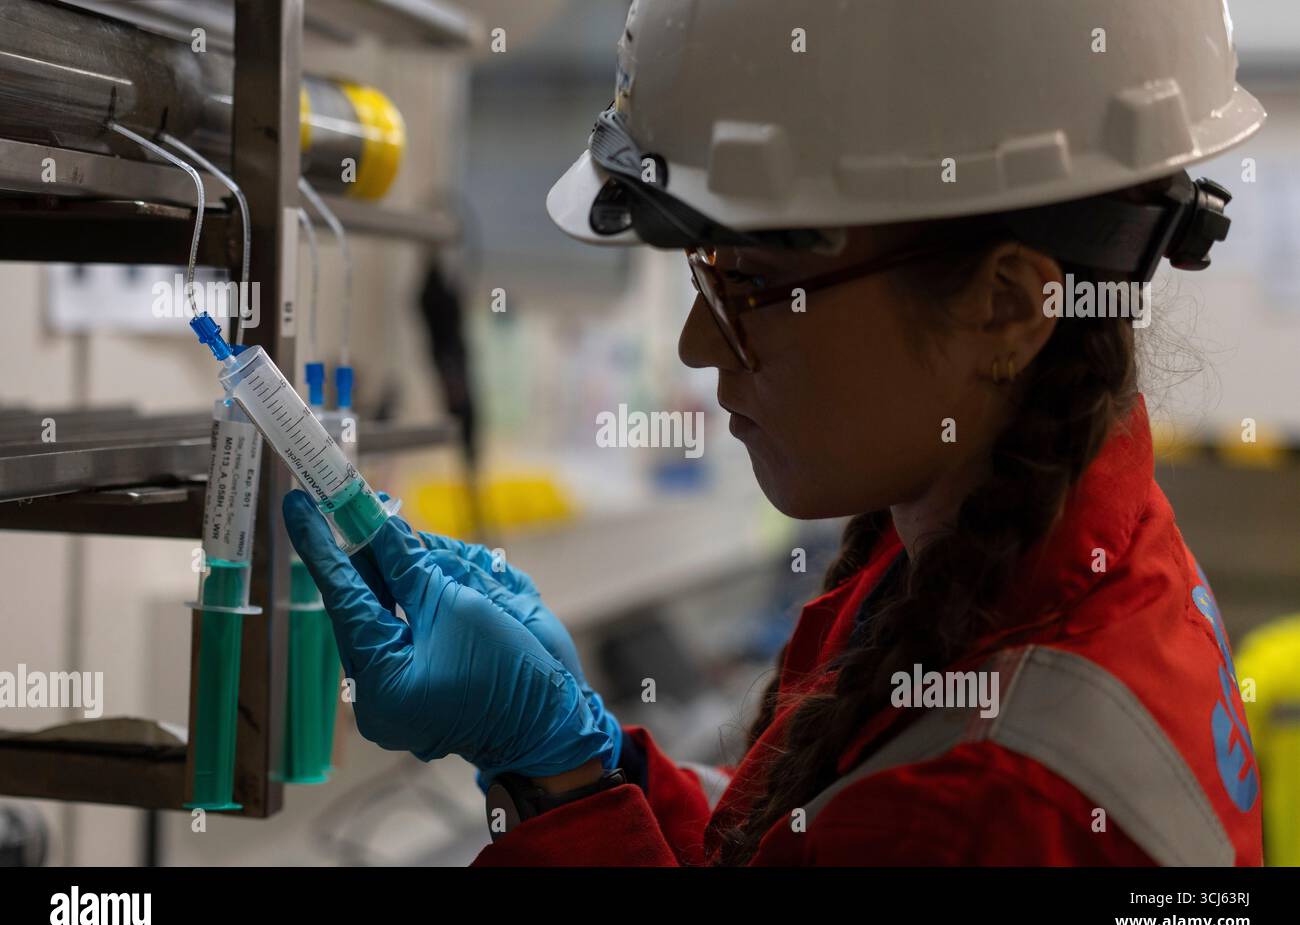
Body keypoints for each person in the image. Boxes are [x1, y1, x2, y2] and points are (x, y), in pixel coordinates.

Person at [284, 0, 1267, 865]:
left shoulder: (996, 805)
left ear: (1004, 307)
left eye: (749, 282)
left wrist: (555, 788)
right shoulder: (991, 540)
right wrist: (577, 750)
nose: (700, 340)